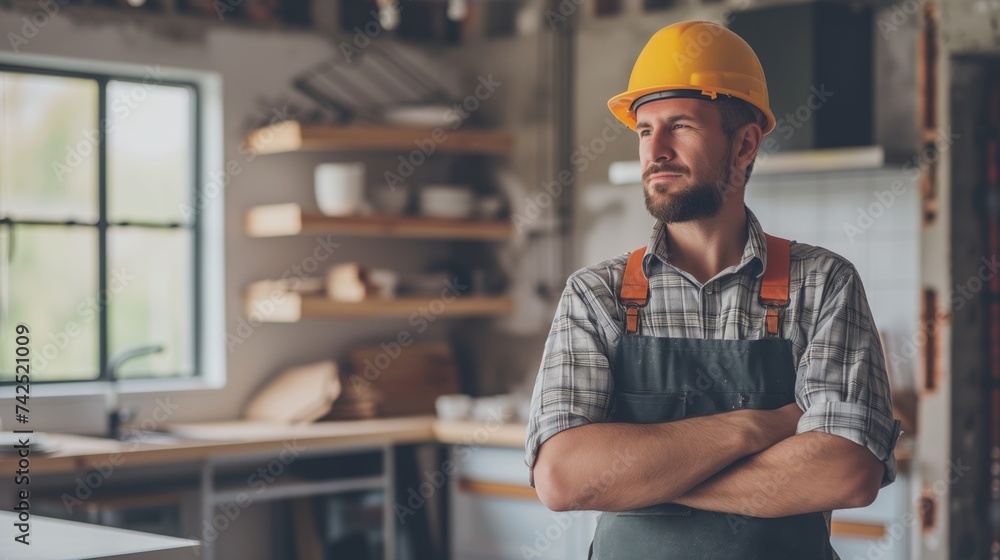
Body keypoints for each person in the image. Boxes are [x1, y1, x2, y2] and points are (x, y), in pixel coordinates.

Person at [525, 20, 902, 559]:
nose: (655, 150)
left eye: (679, 126)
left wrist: (639, 479)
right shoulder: (597, 296)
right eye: (643, 130)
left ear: (745, 144)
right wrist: (757, 428)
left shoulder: (821, 285)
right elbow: (563, 479)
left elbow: (846, 471)